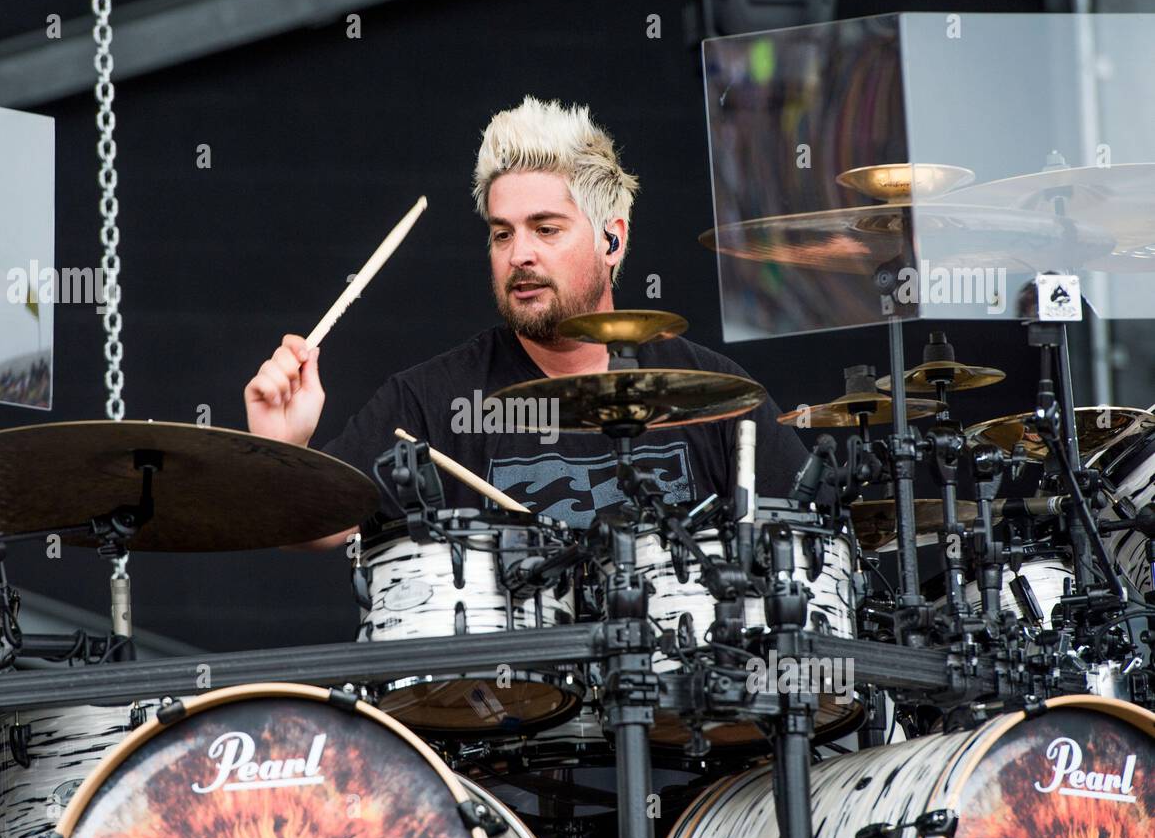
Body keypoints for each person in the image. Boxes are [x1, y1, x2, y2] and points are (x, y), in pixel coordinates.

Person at [244, 96, 810, 547]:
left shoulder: (715, 396)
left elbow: (811, 544)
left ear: (613, 238)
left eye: (546, 228)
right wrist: (282, 452)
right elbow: (317, 525)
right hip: (511, 692)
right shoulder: (432, 401)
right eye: (502, 233)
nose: (519, 254)